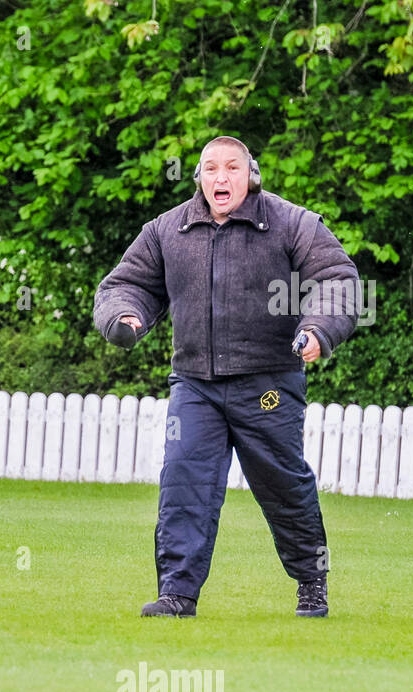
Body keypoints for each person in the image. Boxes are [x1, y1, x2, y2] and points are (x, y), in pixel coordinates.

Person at [93, 136, 361, 617]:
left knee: (282, 485)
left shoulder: (291, 223)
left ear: (250, 175)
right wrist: (125, 317)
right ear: (199, 178)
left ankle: (311, 582)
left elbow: (336, 278)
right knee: (183, 482)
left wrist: (319, 328)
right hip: (194, 384)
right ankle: (178, 594)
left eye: (232, 168)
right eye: (211, 168)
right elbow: (126, 283)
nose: (222, 177)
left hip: (269, 384)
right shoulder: (166, 230)